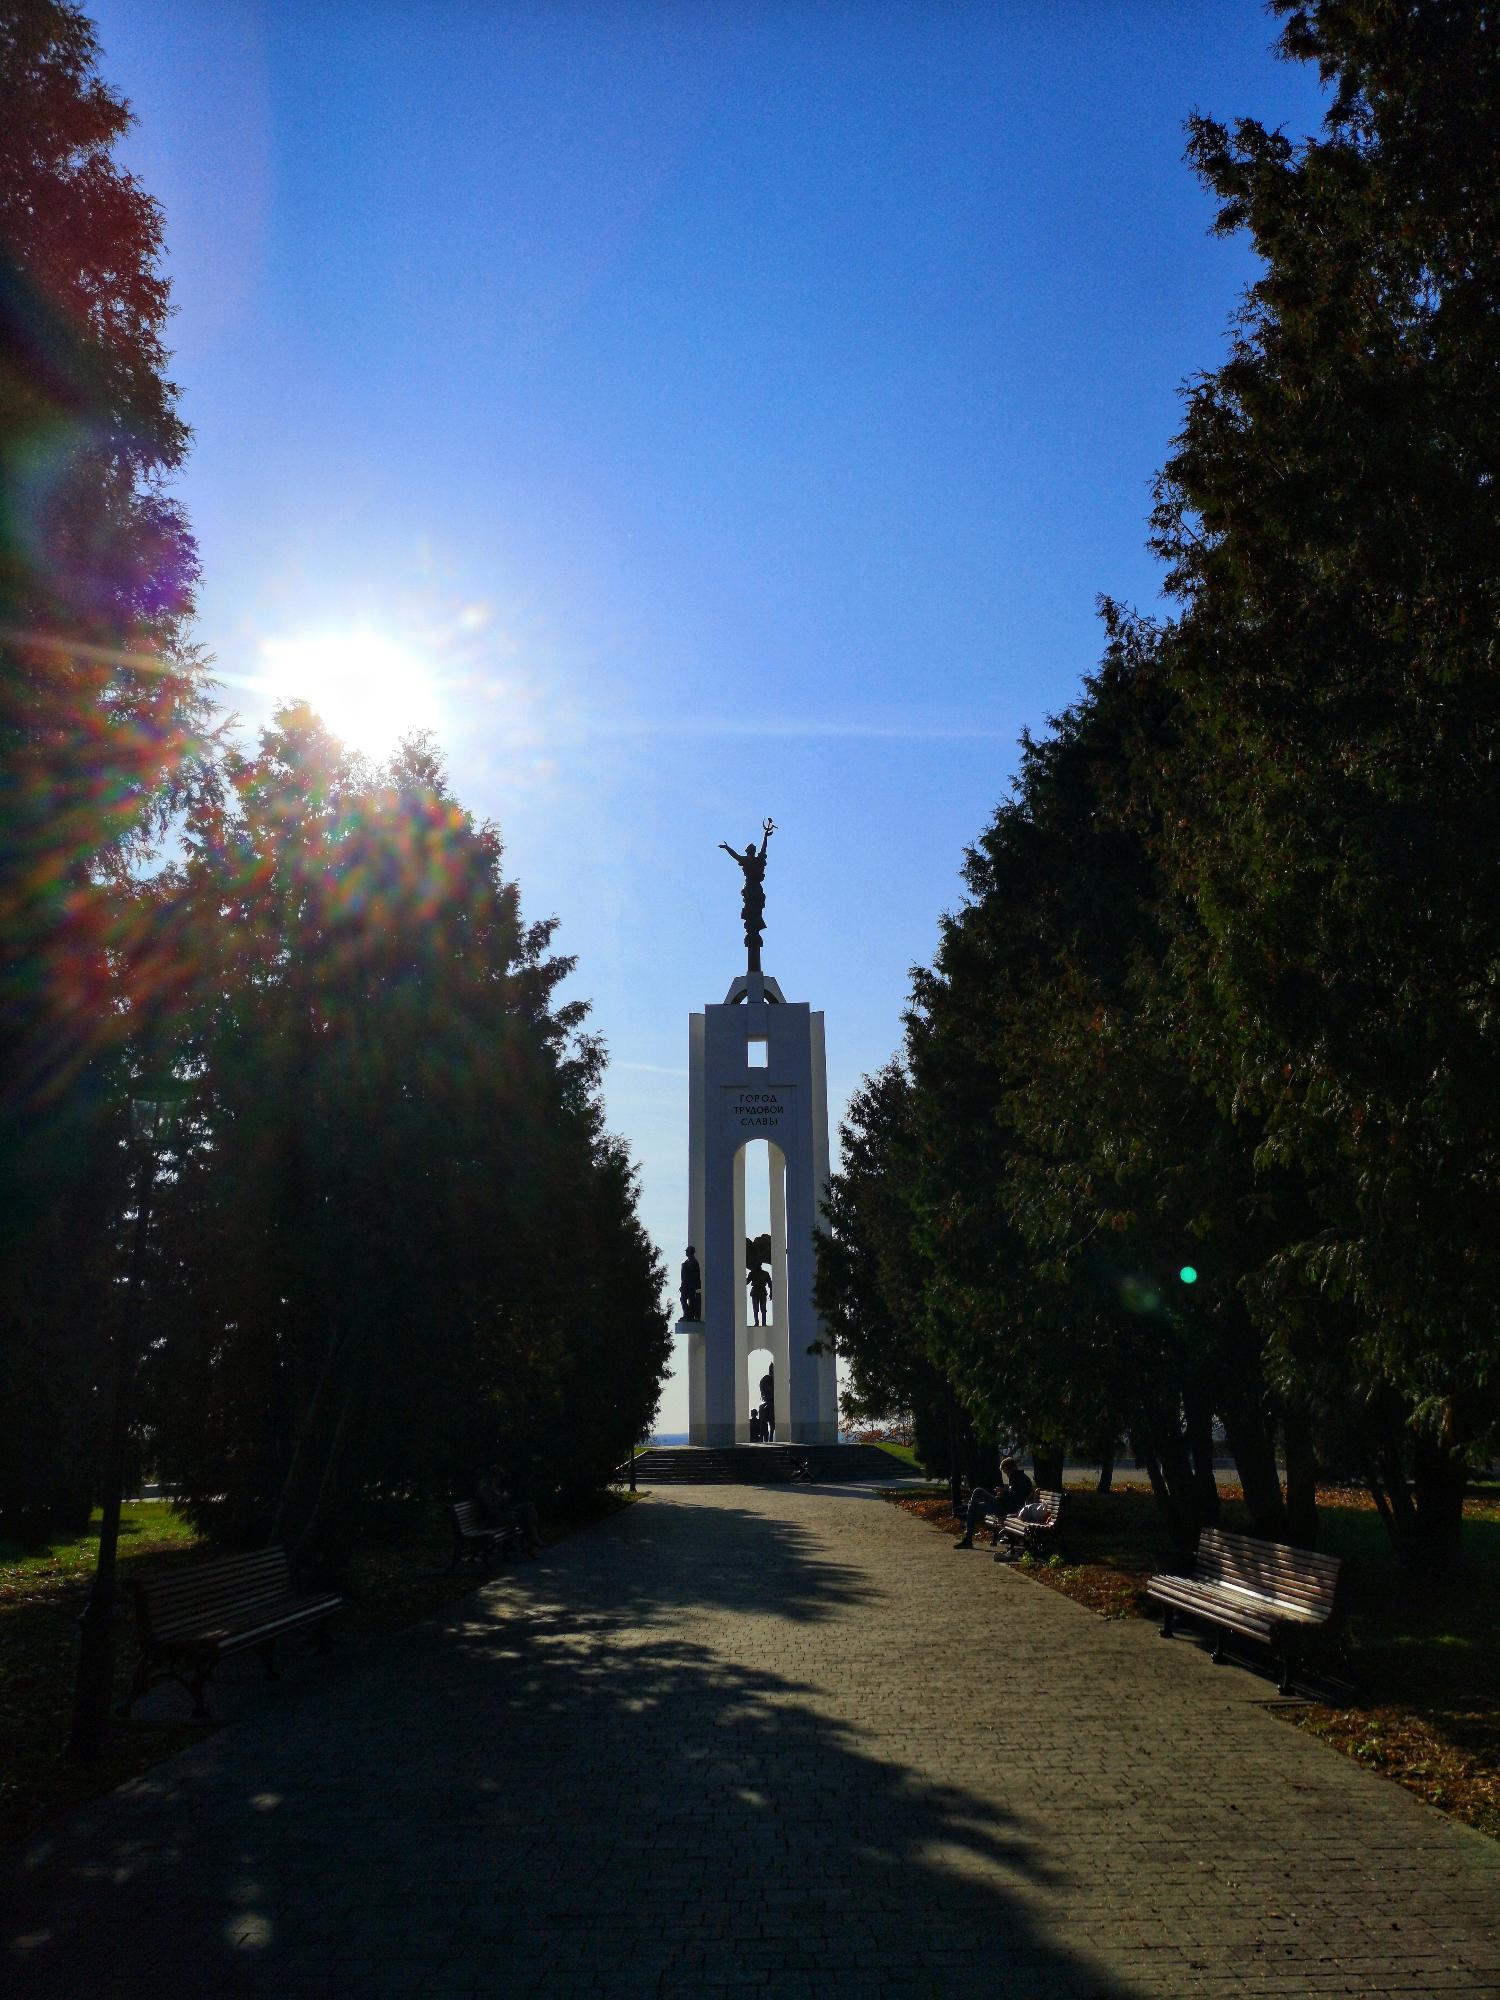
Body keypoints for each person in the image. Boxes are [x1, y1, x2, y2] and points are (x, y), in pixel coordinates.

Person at [952, 1457, 1035, 1549]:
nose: (1006, 1475)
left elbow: (1017, 1500)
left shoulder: (1022, 1479)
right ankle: (967, 1539)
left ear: (1010, 1468)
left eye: (1006, 1472)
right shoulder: (1016, 1477)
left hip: (1007, 1510)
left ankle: (966, 1514)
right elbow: (1012, 1496)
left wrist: (1004, 1493)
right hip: (1004, 1506)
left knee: (978, 1491)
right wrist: (1002, 1494)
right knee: (975, 1507)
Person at [477, 1462, 543, 1557]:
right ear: (494, 1477)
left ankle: (534, 1537)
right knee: (520, 1516)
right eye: (499, 1478)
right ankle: (530, 1544)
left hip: (502, 1512)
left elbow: (499, 1504)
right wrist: (502, 1498)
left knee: (529, 1506)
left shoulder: (492, 1486)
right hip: (493, 1518)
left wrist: (505, 1499)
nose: (500, 1481)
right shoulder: (484, 1488)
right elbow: (490, 1507)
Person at [680, 1245, 702, 1321]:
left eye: (687, 1251)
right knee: (683, 1299)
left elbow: (694, 1276)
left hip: (691, 1286)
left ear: (691, 1252)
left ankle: (689, 1315)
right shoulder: (687, 1262)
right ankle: (687, 1314)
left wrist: (694, 1286)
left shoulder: (694, 1262)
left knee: (691, 1300)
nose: (686, 1253)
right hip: (686, 1285)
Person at [747, 1262, 771, 1327]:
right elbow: (746, 1282)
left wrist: (771, 1293)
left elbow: (770, 1284)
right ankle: (757, 1323)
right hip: (756, 1292)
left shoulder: (765, 1273)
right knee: (756, 1308)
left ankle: (763, 1323)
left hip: (761, 1291)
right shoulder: (752, 1273)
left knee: (763, 1309)